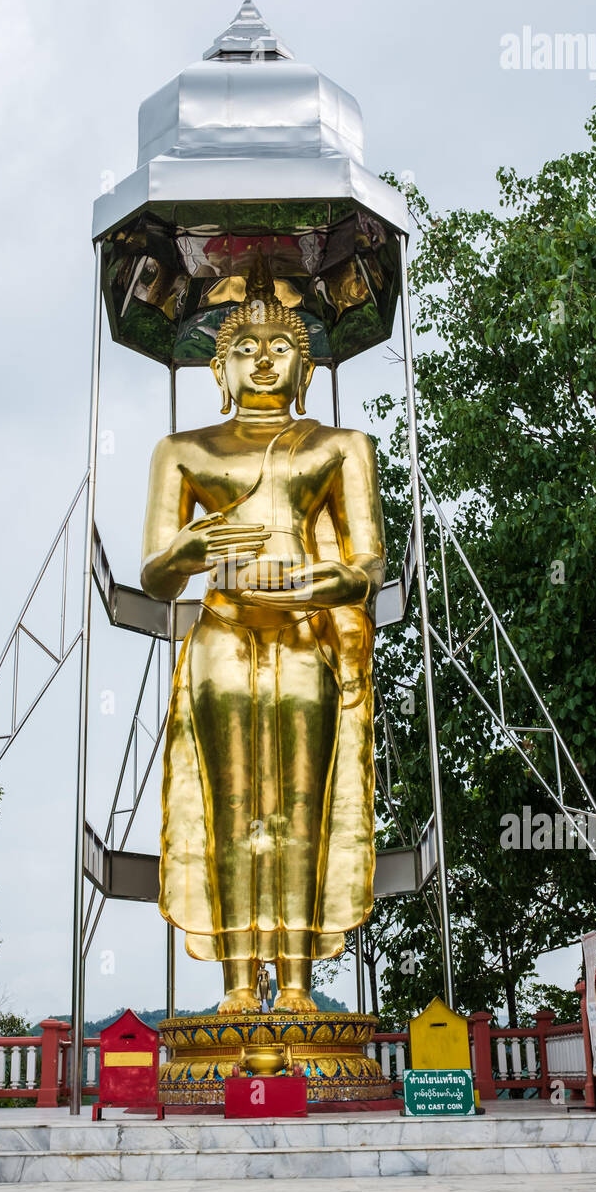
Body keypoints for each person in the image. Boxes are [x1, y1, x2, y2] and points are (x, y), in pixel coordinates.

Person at [141, 264, 385, 1013]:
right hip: (222, 635)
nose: (264, 358)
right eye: (245, 346)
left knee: (302, 808)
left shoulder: (340, 445)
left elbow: (369, 562)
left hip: (307, 637)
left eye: (281, 344)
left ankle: (303, 989)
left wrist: (331, 583)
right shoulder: (183, 450)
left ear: (304, 362)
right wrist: (189, 548)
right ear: (221, 366)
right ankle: (239, 988)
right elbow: (155, 576)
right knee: (231, 805)